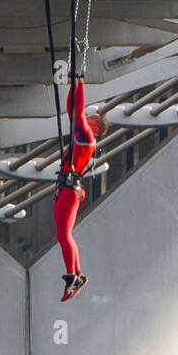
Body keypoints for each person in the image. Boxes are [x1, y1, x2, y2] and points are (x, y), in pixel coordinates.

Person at [53, 74, 110, 302]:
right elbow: (72, 108)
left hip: (69, 189)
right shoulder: (82, 132)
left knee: (64, 235)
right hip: (69, 188)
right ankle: (75, 274)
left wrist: (81, 84)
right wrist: (73, 87)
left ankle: (73, 276)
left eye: (92, 118)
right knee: (65, 234)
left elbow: (78, 109)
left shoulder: (86, 135)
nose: (88, 117)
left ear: (95, 127)